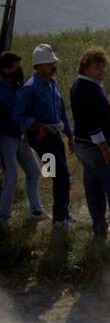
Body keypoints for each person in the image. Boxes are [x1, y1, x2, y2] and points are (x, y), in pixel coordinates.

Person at [69, 48, 110, 238]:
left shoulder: (79, 84)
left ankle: (99, 228)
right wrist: (105, 149)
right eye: (97, 68)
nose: (102, 71)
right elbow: (92, 123)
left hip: (84, 145)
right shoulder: (87, 89)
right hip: (97, 147)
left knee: (94, 189)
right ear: (85, 68)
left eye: (104, 67)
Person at [13, 43, 75, 226]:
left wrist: (70, 135)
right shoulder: (30, 88)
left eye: (53, 63)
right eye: (49, 64)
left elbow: (62, 112)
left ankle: (64, 214)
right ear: (38, 66)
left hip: (54, 136)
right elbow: (18, 115)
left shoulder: (53, 85)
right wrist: (35, 124)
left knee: (62, 175)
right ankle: (59, 218)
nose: (53, 66)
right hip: (40, 139)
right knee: (59, 174)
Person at [0, 51, 45, 220]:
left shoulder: (18, 86)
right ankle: (3, 214)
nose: (19, 70)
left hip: (21, 136)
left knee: (33, 172)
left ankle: (36, 209)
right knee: (11, 176)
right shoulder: (2, 91)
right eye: (15, 67)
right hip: (5, 138)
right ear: (5, 69)